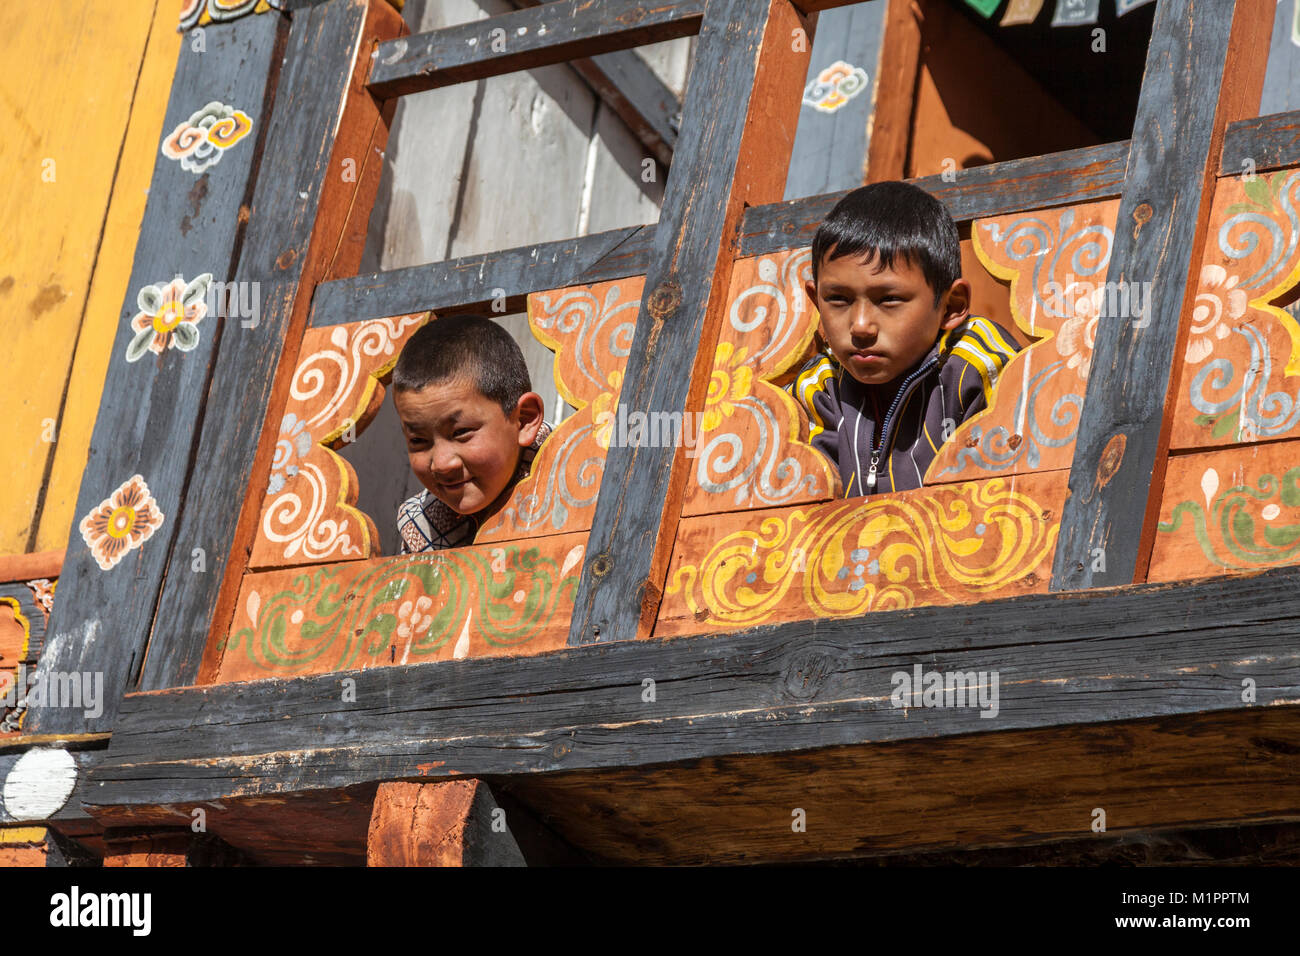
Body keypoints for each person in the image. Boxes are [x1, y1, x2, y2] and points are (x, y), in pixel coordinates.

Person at [789, 180, 1021, 497]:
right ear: (817, 302)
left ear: (951, 305)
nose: (860, 326)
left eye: (889, 300)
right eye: (839, 300)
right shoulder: (818, 387)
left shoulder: (977, 367)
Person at [392, 315, 551, 553]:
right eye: (418, 440)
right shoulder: (421, 526)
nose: (442, 464)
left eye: (461, 432)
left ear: (524, 420)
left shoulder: (578, 474)